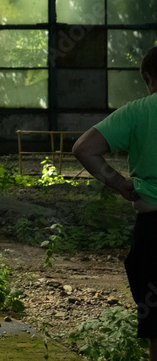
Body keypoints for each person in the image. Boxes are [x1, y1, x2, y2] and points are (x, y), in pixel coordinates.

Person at [72, 45, 157, 360]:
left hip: (153, 231)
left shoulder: (137, 112)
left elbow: (84, 149)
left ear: (149, 77)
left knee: (156, 329)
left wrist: (119, 183)